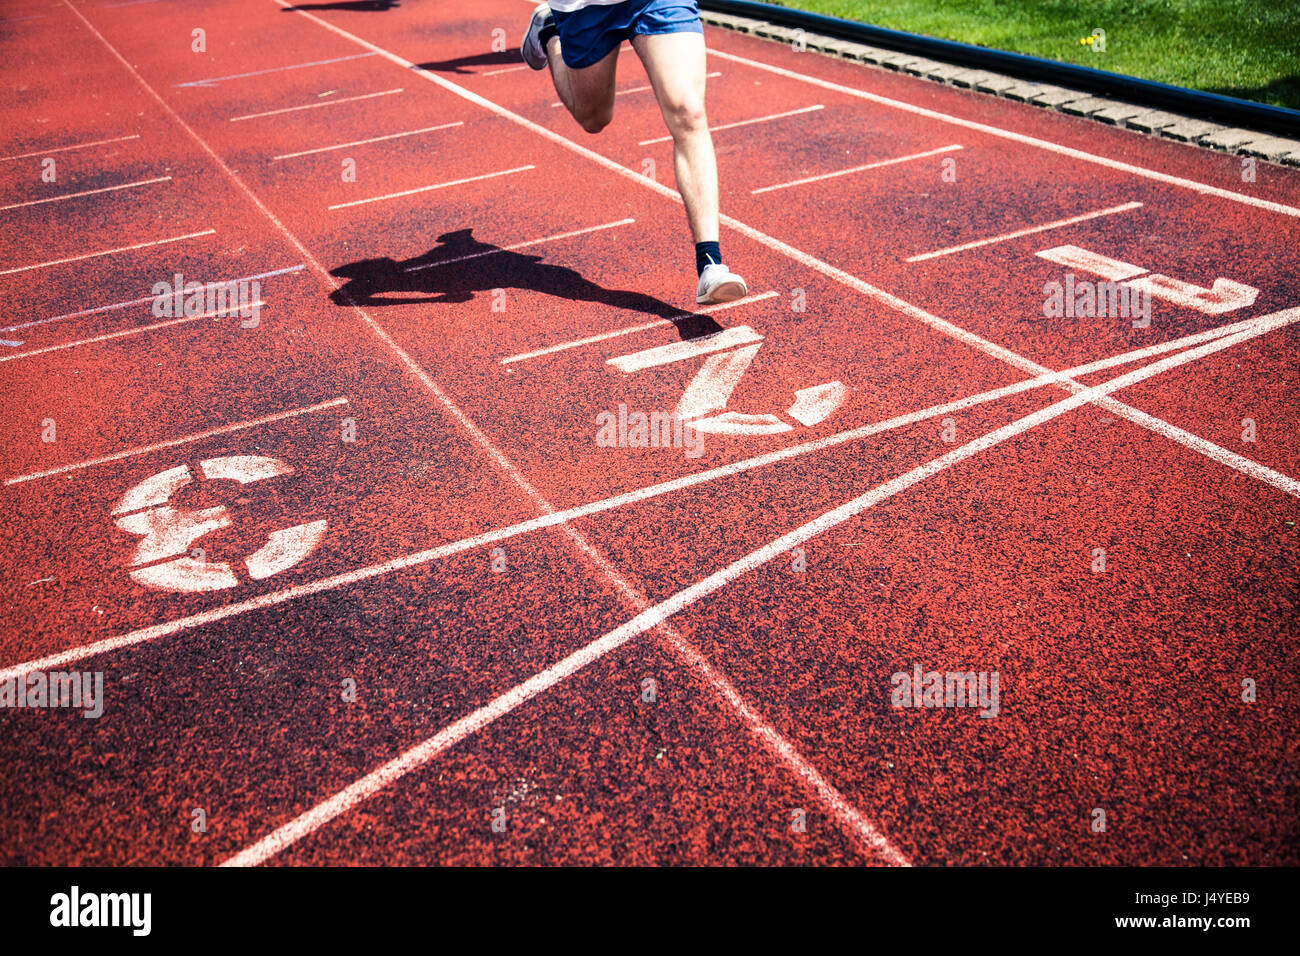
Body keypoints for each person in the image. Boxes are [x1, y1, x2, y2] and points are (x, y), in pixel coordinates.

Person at [521, 1, 748, 306]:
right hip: (584, 5)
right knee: (593, 117)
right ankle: (550, 32)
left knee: (688, 111)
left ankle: (711, 263)